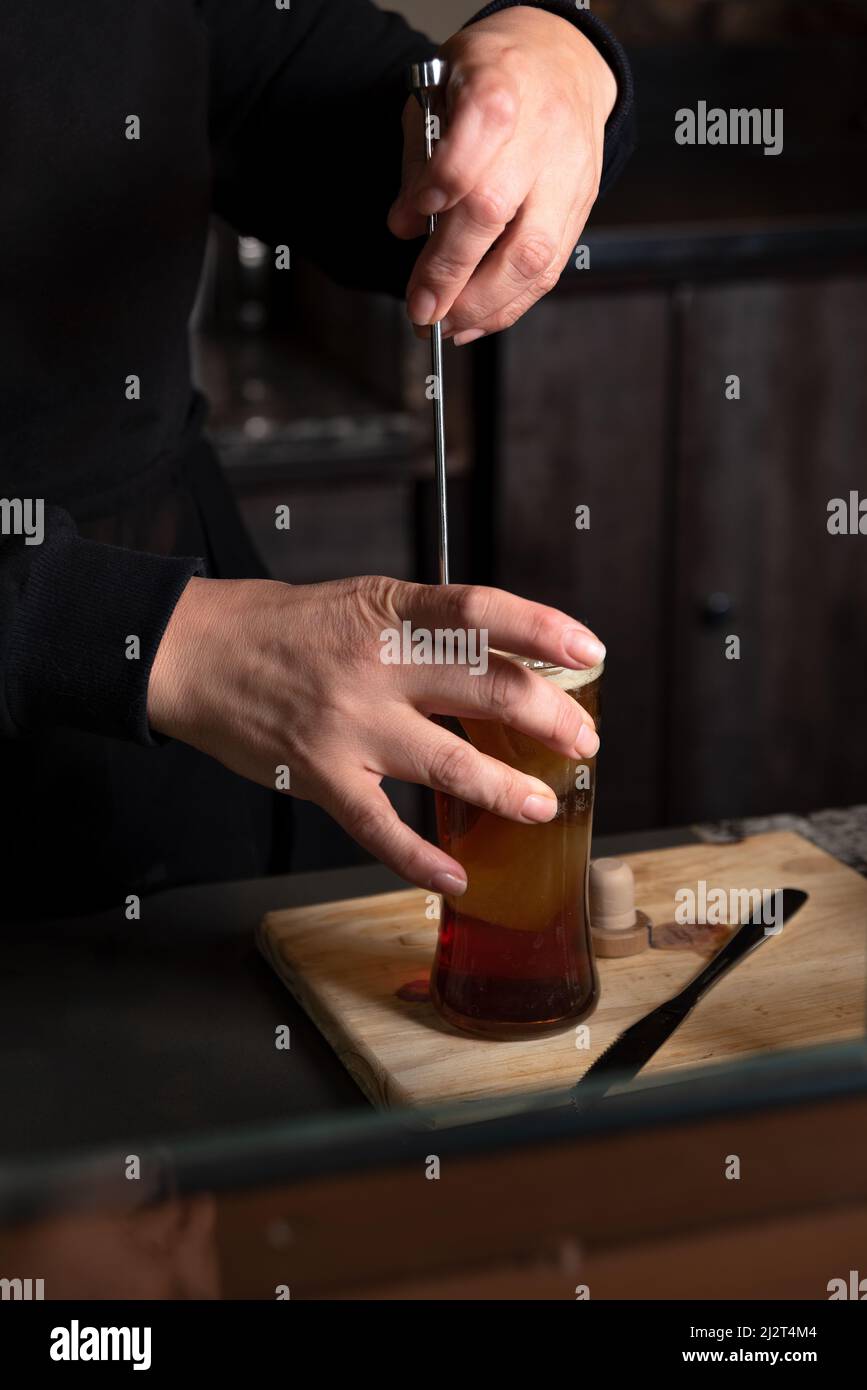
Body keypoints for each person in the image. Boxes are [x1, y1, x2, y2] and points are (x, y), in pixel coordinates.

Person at [0, 0, 634, 921]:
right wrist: (163, 640)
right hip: (173, 669)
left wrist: (560, 59)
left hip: (181, 774)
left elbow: (386, 166)